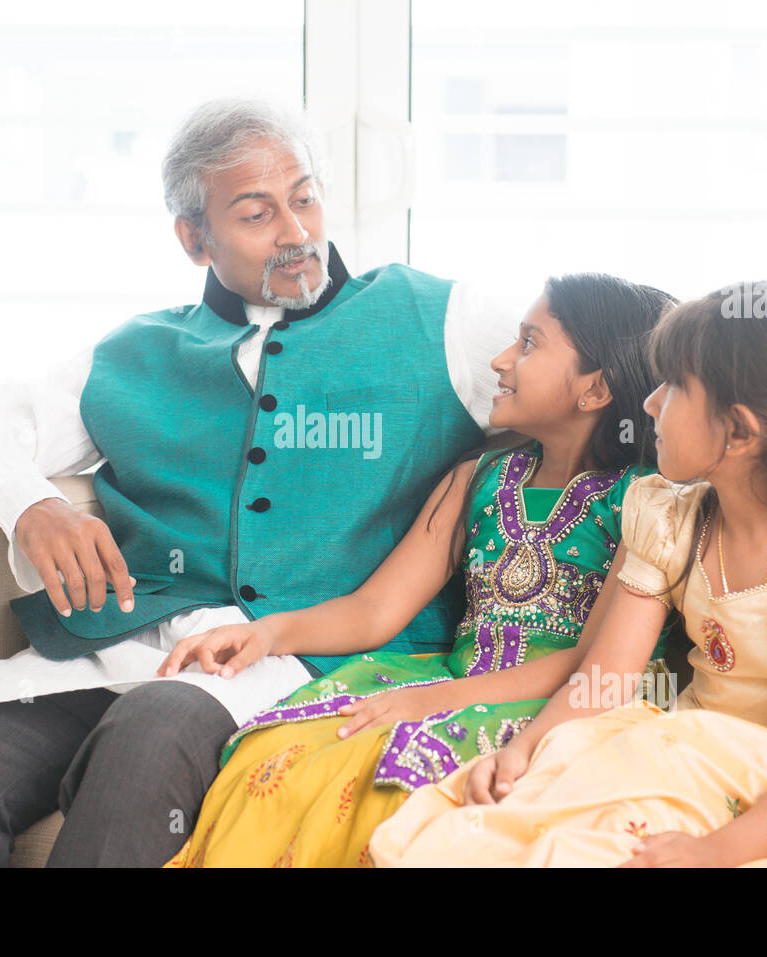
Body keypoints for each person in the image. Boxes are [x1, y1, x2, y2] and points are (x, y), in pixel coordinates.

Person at [0, 92, 767, 867]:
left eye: (304, 196)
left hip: (272, 666)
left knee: (150, 747)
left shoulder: (437, 321)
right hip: (106, 649)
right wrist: (34, 502)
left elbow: (643, 340)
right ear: (192, 235)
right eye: (254, 212)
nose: (294, 230)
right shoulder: (128, 351)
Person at [369, 282, 767, 867]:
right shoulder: (668, 520)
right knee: (481, 817)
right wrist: (524, 749)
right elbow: (605, 680)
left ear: (740, 432)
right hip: (684, 748)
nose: (647, 404)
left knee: (581, 842)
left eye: (673, 387)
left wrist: (714, 853)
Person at [158, 273, 684, 867]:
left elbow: (593, 666)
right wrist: (268, 633)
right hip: (450, 677)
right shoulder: (479, 478)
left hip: (568, 706)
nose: (501, 360)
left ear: (595, 391)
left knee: (404, 770)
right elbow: (375, 609)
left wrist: (438, 700)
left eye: (529, 345)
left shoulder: (645, 502)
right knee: (292, 749)